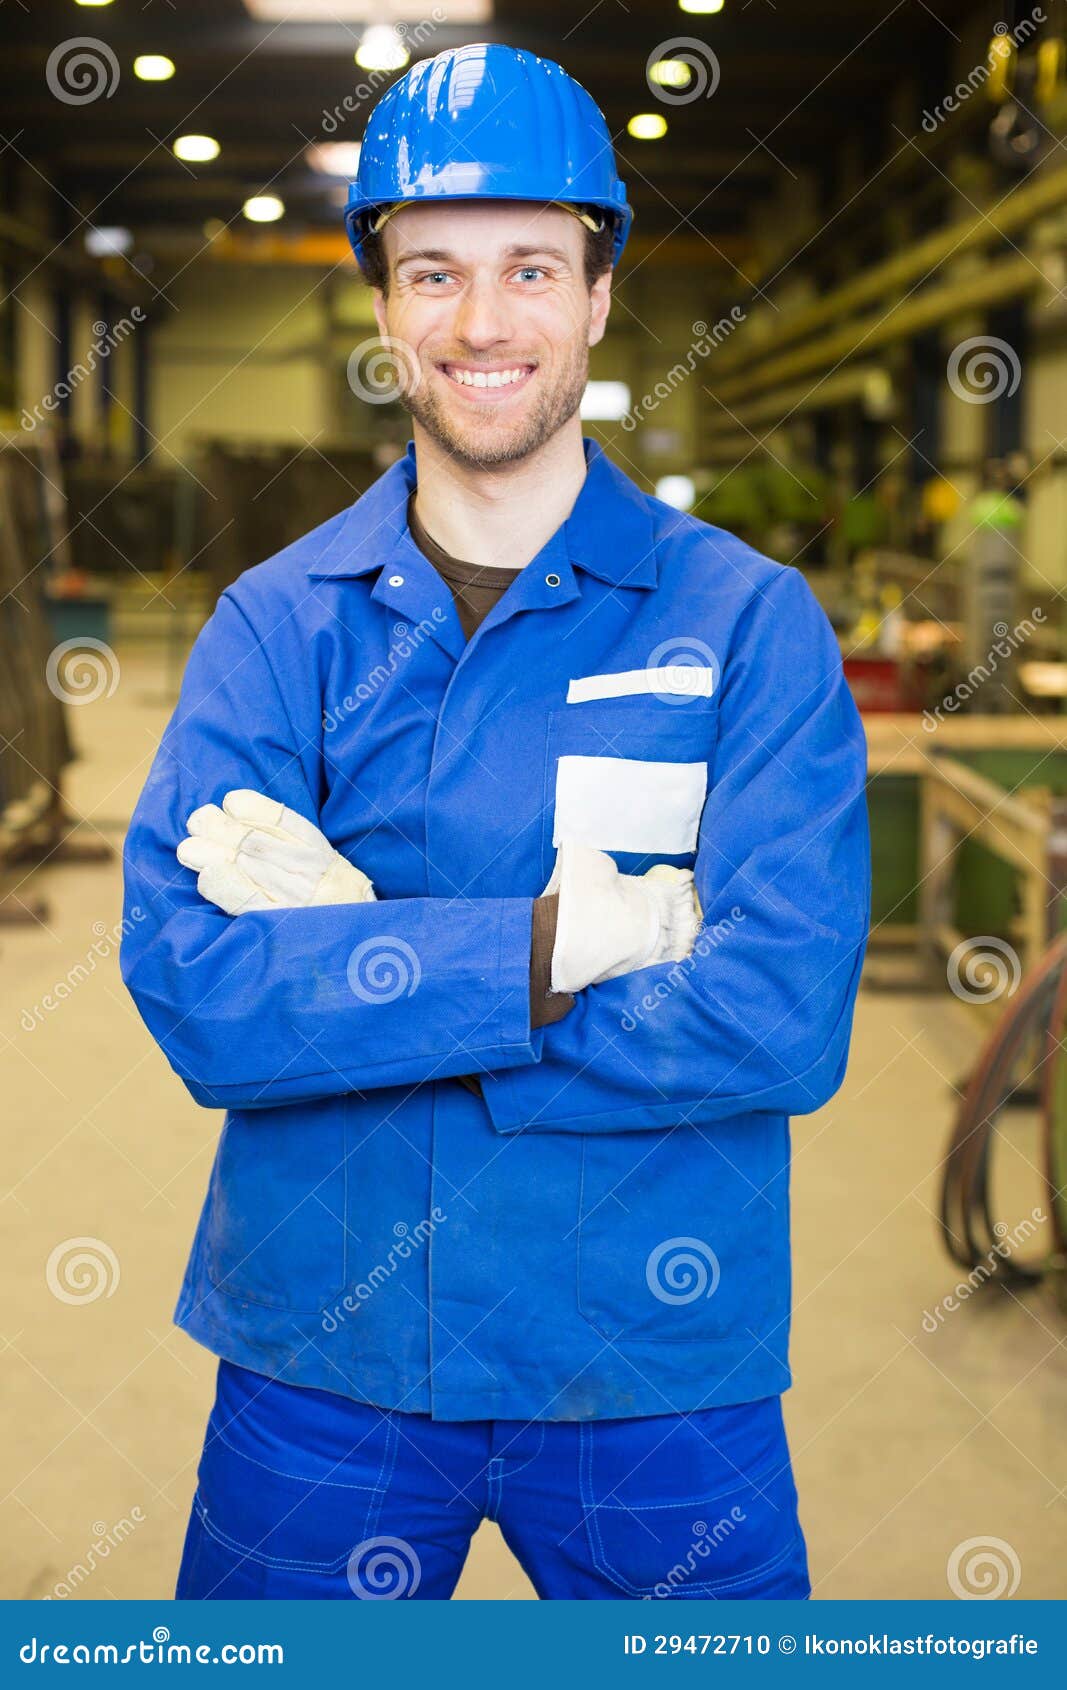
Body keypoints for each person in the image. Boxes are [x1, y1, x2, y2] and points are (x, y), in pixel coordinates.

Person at [120, 42, 871, 1601]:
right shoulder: (280, 628)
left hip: (656, 1358)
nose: (480, 322)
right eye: (433, 272)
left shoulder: (747, 625)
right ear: (386, 310)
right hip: (325, 1345)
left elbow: (782, 1018)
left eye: (531, 266)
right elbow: (199, 995)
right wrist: (552, 951)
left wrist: (362, 979)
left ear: (599, 296)